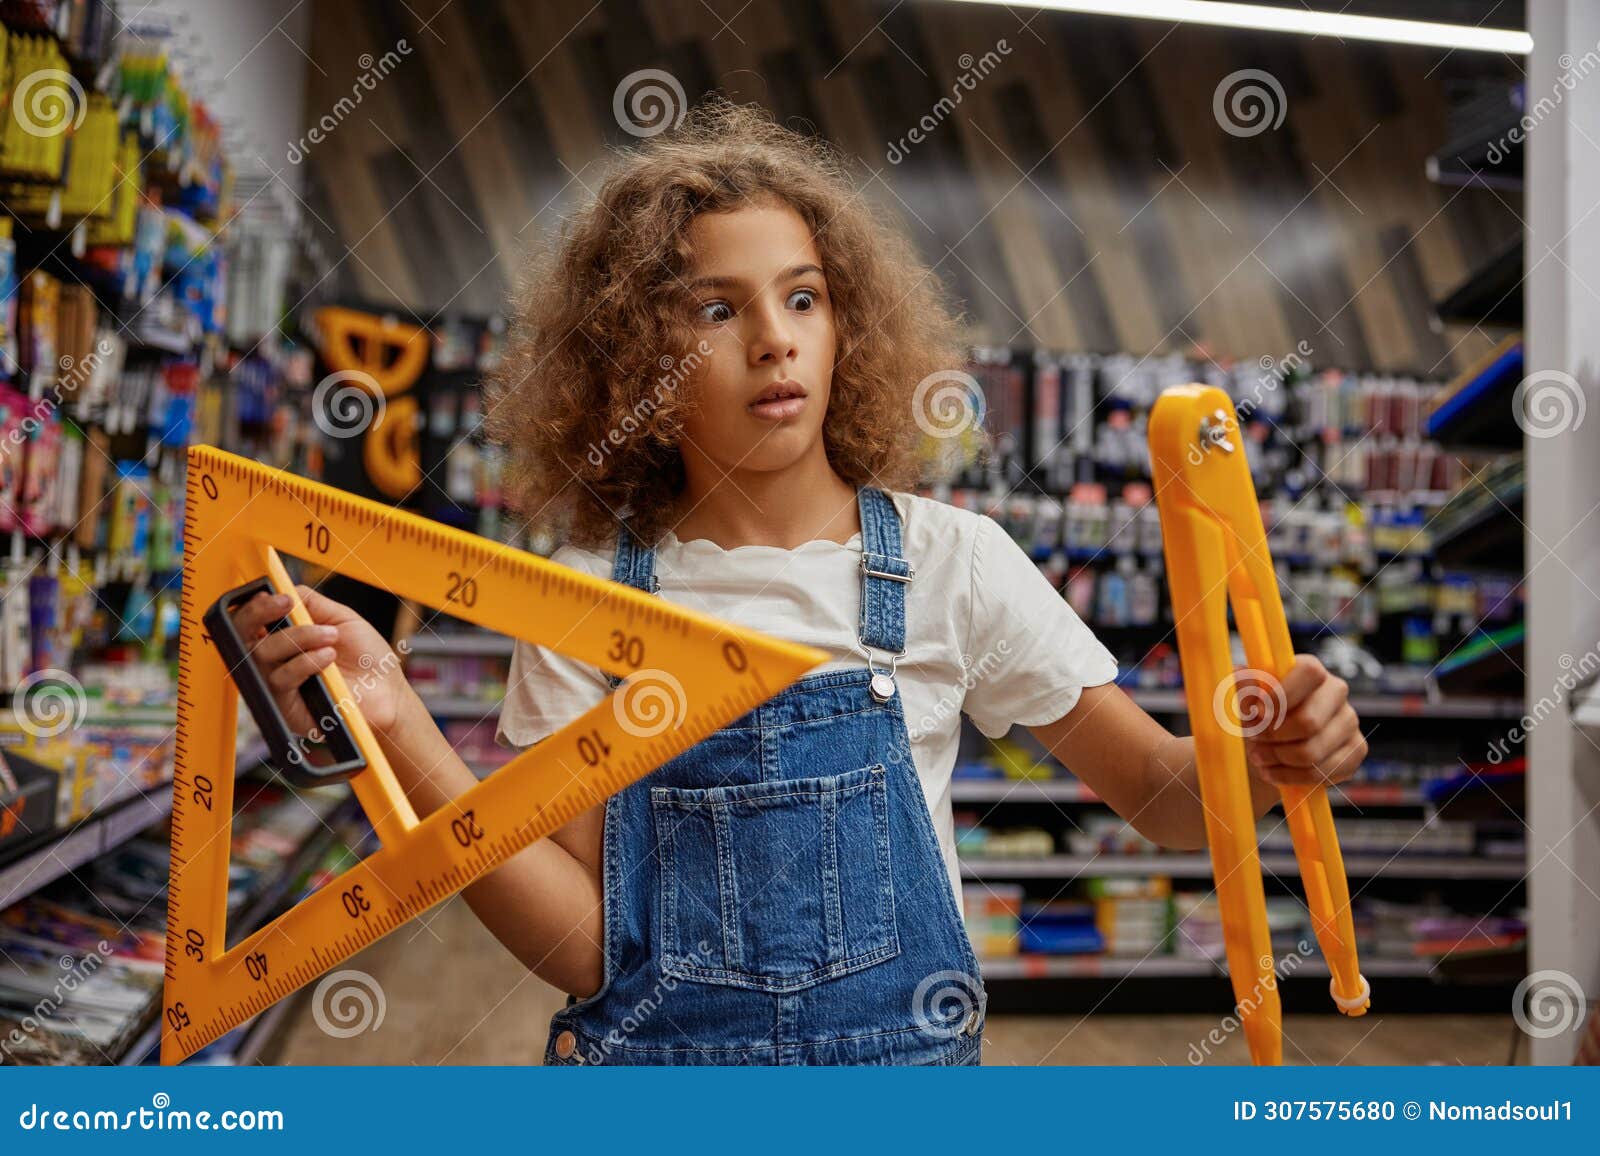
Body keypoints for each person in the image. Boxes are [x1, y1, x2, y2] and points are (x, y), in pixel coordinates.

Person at [236, 100, 1367, 1066]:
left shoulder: (954, 562)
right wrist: (398, 724)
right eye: (715, 309)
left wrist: (1268, 754)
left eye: (803, 297)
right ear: (636, 362)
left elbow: (1166, 799)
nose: (774, 339)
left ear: (845, 327)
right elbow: (584, 950)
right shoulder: (584, 599)